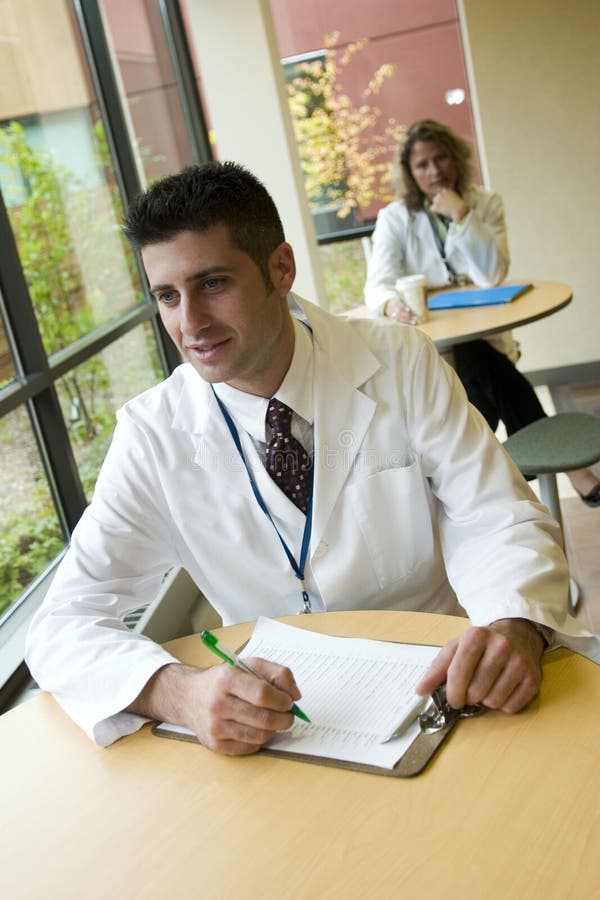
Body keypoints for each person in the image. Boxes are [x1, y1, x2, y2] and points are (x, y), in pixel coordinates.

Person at [26, 161, 584, 756]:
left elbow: (497, 517)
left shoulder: (400, 364)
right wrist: (177, 693)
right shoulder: (152, 434)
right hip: (283, 729)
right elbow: (61, 625)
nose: (190, 324)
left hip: (443, 688)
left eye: (213, 283)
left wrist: (511, 624)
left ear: (281, 269)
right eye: (167, 296)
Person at [364, 119, 600, 507]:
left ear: (455, 158)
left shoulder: (484, 203)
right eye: (422, 164)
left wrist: (463, 217)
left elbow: (492, 275)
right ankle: (555, 470)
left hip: (482, 334)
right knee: (481, 376)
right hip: (433, 345)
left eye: (440, 158)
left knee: (476, 377)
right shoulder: (395, 218)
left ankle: (482, 482)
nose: (434, 171)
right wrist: (391, 302)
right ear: (409, 172)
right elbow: (377, 283)